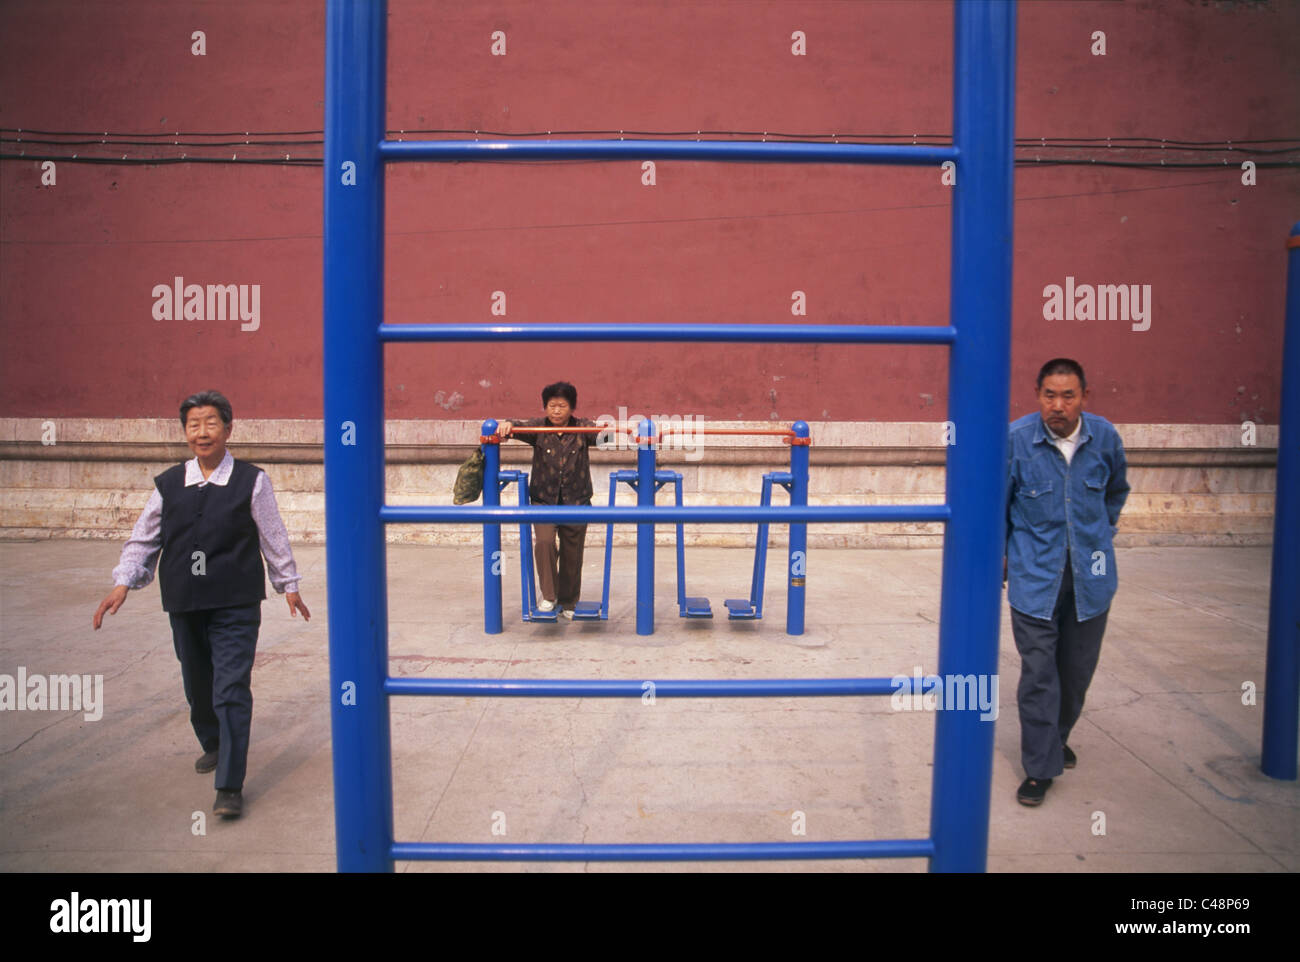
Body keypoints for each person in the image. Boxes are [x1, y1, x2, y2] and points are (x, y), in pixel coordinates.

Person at [93, 390, 310, 819]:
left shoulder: (252, 480)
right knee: (198, 684)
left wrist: (288, 584)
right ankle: (213, 742)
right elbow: (145, 537)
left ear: (229, 429)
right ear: (185, 432)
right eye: (194, 424)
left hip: (235, 603)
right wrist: (124, 582)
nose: (202, 432)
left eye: (211, 423)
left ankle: (229, 784)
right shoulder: (170, 484)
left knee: (230, 689)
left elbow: (272, 534)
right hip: (185, 601)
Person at [1005, 358, 1129, 807]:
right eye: (1049, 396)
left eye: (1068, 396)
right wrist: (1003, 562)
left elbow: (1117, 492)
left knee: (1075, 675)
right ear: (1038, 395)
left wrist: (1098, 537)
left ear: (1084, 397)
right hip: (1034, 578)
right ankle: (1040, 768)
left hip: (1091, 581)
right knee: (1039, 675)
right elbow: (999, 507)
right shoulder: (1017, 441)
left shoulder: (1106, 439)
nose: (1058, 405)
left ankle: (1055, 738)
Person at [498, 381, 597, 619]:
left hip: (576, 500)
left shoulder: (583, 427)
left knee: (573, 552)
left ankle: (569, 602)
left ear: (571, 408)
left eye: (561, 406)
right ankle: (550, 597)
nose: (556, 411)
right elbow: (517, 426)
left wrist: (627, 433)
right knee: (544, 544)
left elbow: (606, 437)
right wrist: (506, 425)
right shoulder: (539, 428)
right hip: (544, 499)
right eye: (551, 406)